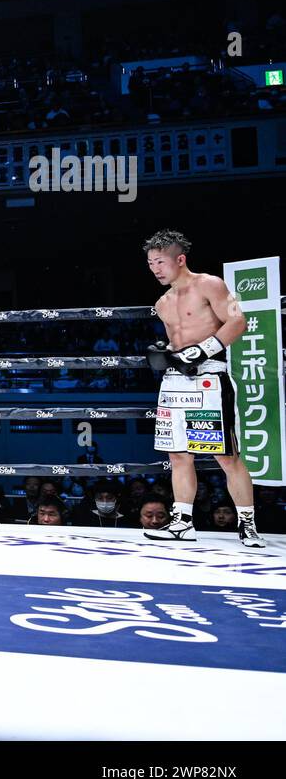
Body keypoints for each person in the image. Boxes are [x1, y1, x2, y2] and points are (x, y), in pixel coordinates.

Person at [143, 230, 264, 546]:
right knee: (179, 455)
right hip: (175, 381)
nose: (155, 268)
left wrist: (202, 349)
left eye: (160, 261)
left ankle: (247, 524)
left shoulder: (210, 284)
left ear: (179, 259)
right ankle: (182, 522)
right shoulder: (162, 302)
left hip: (210, 376)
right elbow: (176, 341)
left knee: (226, 456)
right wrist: (166, 352)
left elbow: (238, 322)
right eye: (150, 263)